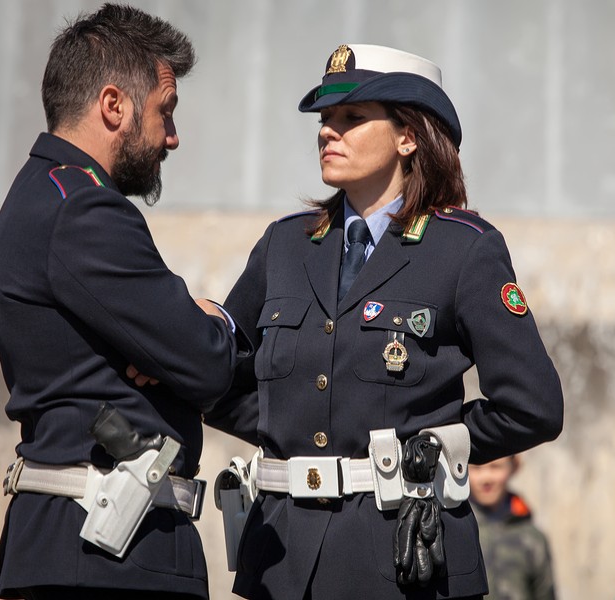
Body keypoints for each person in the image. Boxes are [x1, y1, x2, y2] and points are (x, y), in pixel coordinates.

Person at [205, 43, 564, 599]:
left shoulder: (464, 250)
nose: (328, 132)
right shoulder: (284, 244)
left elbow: (533, 407)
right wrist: (289, 429)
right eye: (325, 119)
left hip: (405, 558)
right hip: (281, 562)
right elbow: (216, 380)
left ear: (408, 136)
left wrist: (434, 447)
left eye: (352, 118)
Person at [0, 4, 249, 599]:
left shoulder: (37, 197)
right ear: (114, 105)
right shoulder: (87, 210)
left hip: (69, 548)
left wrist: (168, 345)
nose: (172, 138)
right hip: (109, 557)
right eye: (166, 113)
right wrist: (212, 323)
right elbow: (205, 361)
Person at [469, 455, 556, 600]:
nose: (486, 478)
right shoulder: (454, 531)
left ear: (514, 467)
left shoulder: (533, 538)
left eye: (495, 467)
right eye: (476, 468)